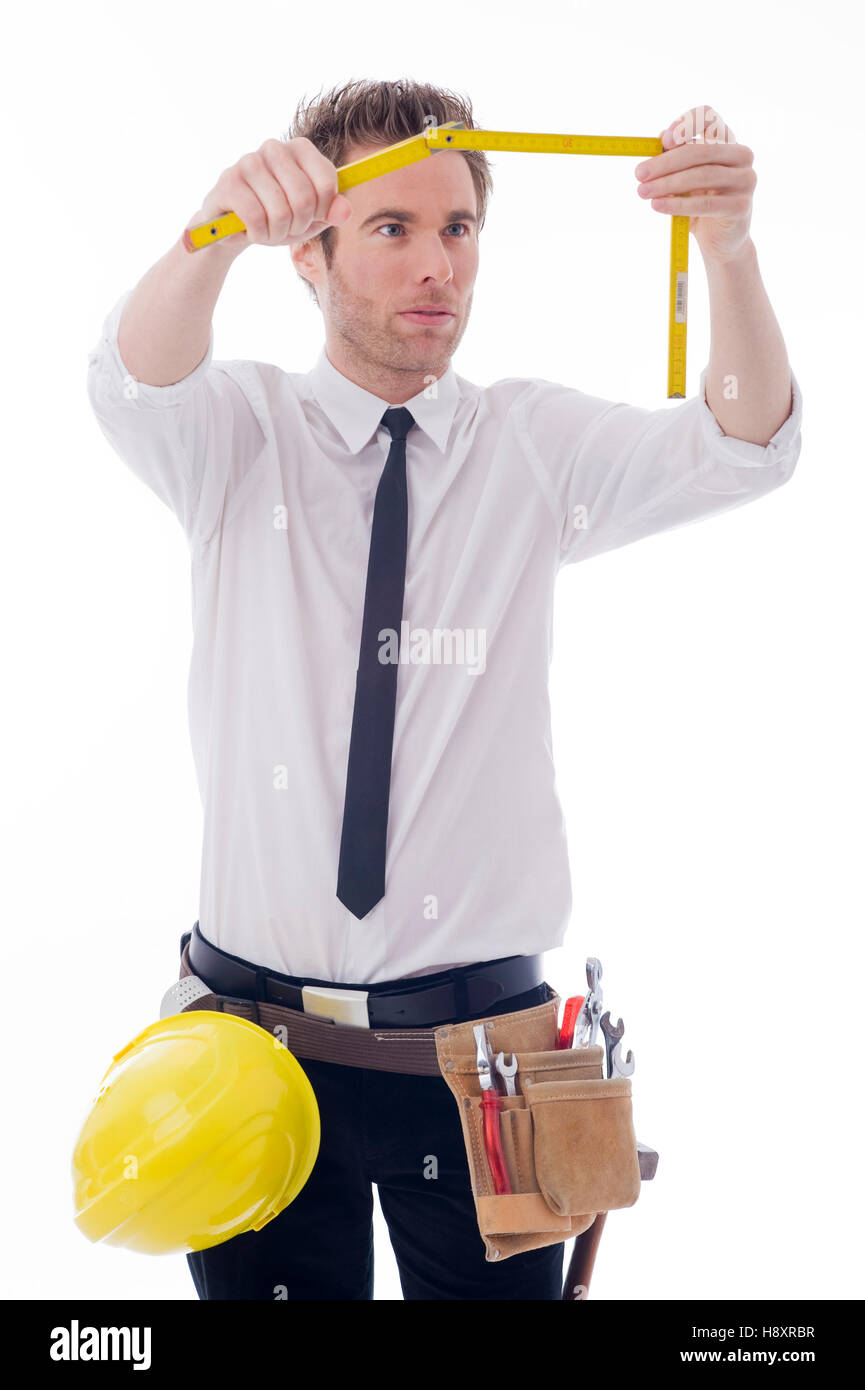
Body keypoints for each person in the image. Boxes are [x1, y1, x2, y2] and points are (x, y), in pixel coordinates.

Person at [86, 80, 802, 1300]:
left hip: (484, 1070)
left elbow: (744, 446)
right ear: (306, 251)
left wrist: (726, 252)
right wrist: (207, 232)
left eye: (457, 228)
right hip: (250, 1059)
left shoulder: (532, 446)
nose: (436, 267)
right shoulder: (235, 434)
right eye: (390, 229)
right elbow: (130, 380)